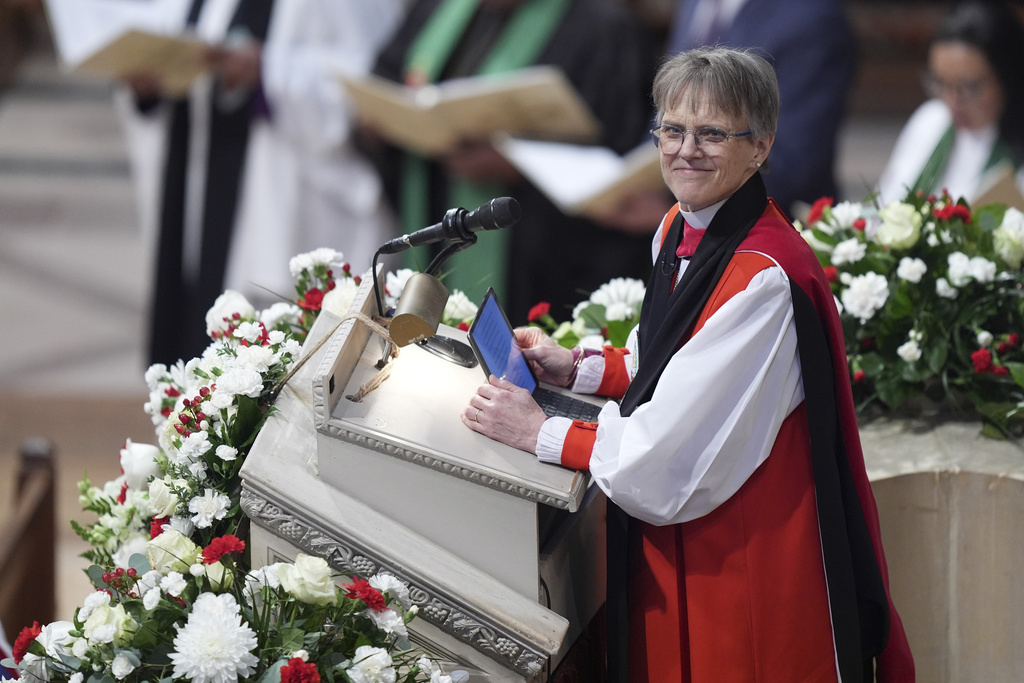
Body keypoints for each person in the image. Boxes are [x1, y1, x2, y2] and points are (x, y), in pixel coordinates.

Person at [462, 47, 915, 682]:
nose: (686, 150)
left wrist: (539, 431)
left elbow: (662, 457)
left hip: (739, 558)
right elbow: (670, 359)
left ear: (761, 145)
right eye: (672, 130)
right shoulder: (683, 224)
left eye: (712, 134)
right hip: (690, 536)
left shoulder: (762, 277)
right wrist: (578, 369)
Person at [117, 0, 403, 365]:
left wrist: (269, 71)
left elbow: (372, 82)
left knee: (276, 367)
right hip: (198, 190)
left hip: (293, 209)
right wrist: (149, 80)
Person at [367, 0, 657, 325]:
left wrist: (517, 162)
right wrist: (387, 120)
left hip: (532, 251)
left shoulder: (603, 27)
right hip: (434, 199)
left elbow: (619, 154)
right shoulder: (440, 7)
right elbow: (387, 75)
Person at [666, 0, 856, 216]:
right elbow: (669, 105)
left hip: (769, 219)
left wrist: (672, 204)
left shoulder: (810, 17)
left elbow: (793, 163)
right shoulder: (697, 4)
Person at [877, 0, 1024, 205]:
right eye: (940, 83)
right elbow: (884, 203)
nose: (952, 101)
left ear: (1006, 77)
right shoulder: (931, 119)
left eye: (968, 88)